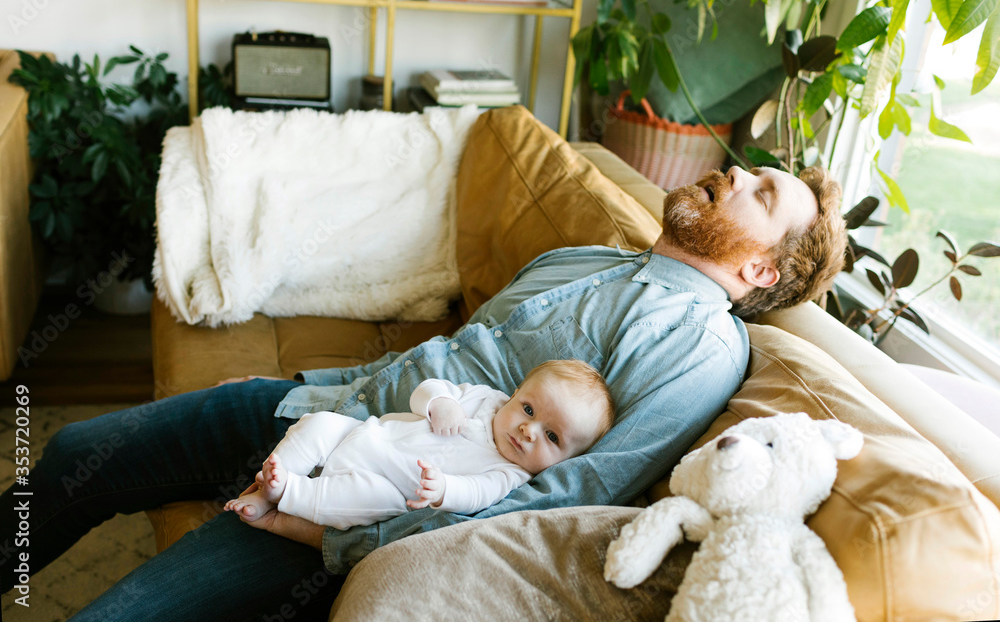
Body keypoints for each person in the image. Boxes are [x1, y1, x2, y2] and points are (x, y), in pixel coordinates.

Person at [0, 165, 848, 621]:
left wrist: (329, 541)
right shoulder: (591, 258)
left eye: (760, 194)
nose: (734, 175)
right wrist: (297, 384)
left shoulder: (696, 348)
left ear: (759, 269)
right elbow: (445, 356)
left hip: (354, 504)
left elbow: (563, 494)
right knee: (77, 450)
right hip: (317, 411)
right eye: (746, 170)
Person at [223, 360, 615, 527]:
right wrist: (440, 402)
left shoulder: (509, 473)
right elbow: (426, 389)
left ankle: (289, 491)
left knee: (370, 502)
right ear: (514, 394)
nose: (529, 430)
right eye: (528, 409)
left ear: (566, 459)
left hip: (388, 485)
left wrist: (445, 489)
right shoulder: (482, 400)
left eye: (551, 437)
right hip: (362, 434)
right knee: (319, 423)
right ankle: (266, 486)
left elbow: (477, 494)